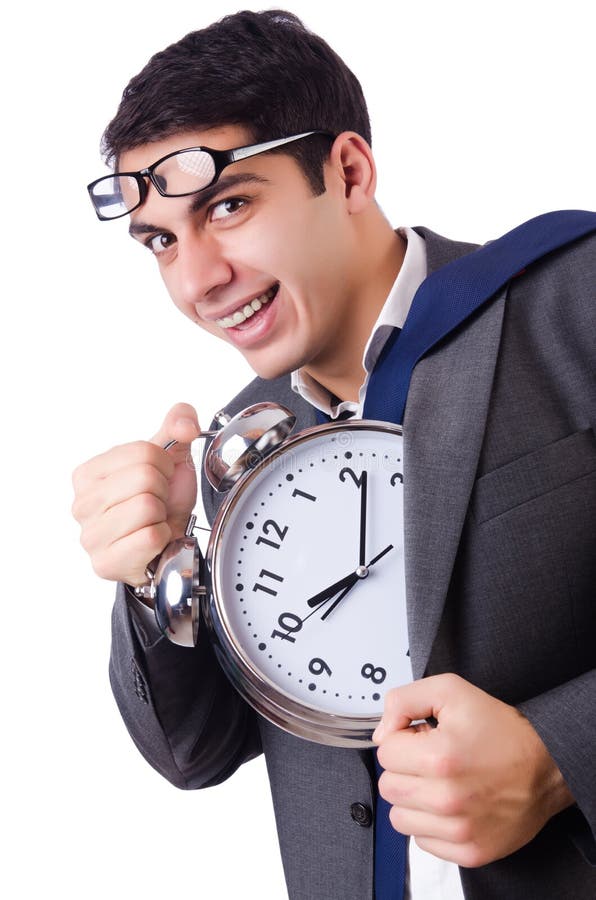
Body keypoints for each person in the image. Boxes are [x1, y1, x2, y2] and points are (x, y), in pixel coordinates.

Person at [72, 9, 596, 899]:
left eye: (228, 206)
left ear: (348, 171)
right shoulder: (238, 452)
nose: (197, 281)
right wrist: (153, 573)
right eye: (161, 241)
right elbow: (194, 753)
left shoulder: (570, 299)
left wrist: (558, 758)